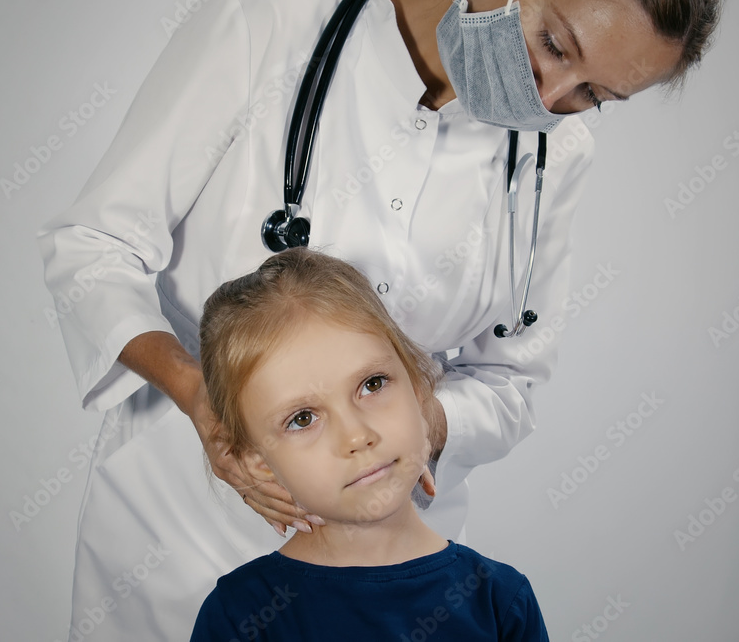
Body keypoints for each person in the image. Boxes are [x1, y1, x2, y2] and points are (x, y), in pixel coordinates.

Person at [37, 0, 724, 639]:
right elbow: (93, 248)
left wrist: (422, 418)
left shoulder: (554, 152)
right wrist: (198, 395)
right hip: (178, 531)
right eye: (554, 44)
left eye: (594, 94)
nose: (547, 96)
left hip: (395, 580)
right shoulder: (265, 27)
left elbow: (511, 381)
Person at [189, 247, 549, 641]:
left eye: (372, 384)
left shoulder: (500, 603)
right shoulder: (239, 616)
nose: (357, 436)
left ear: (418, 388)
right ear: (255, 460)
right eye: (303, 418)